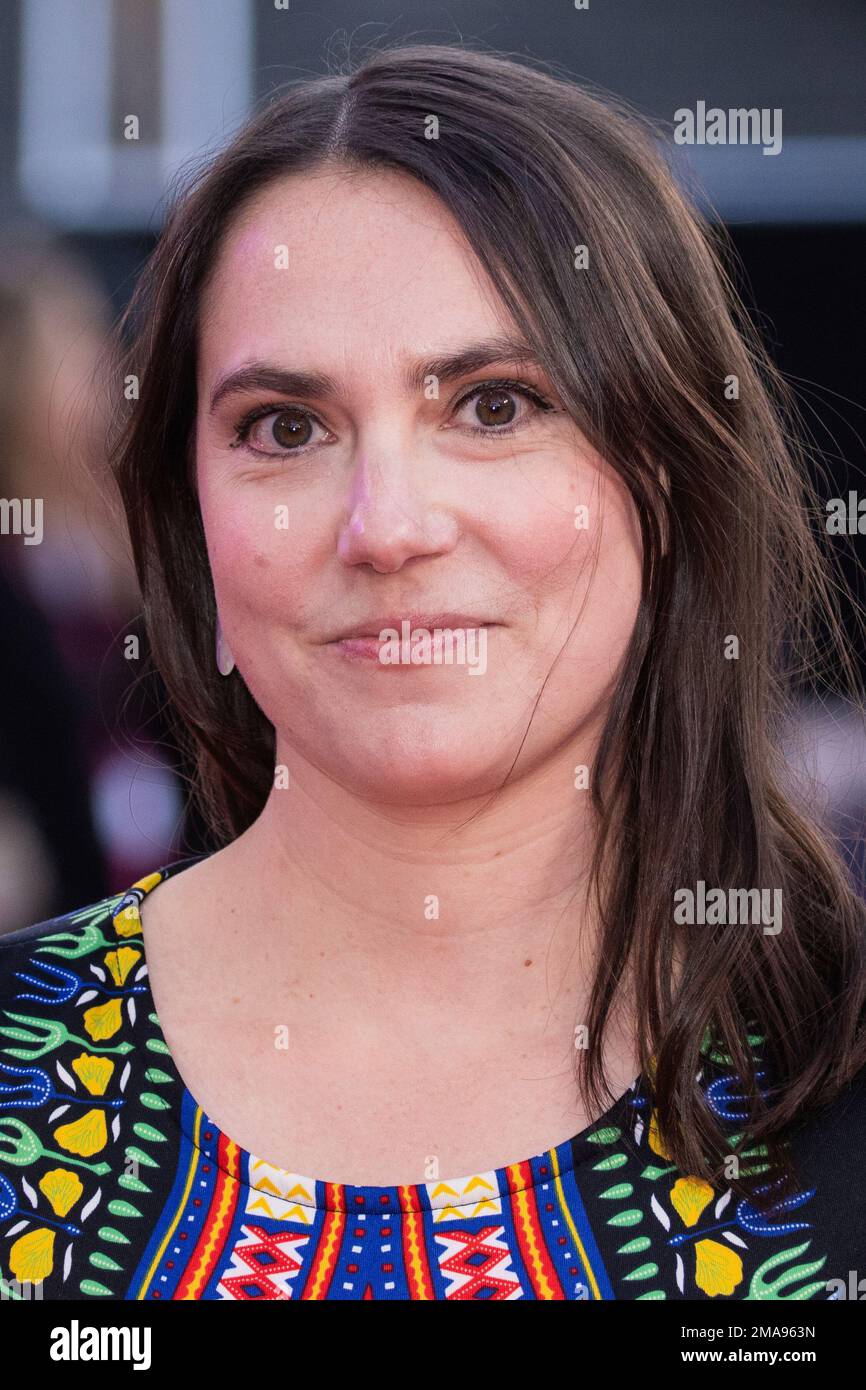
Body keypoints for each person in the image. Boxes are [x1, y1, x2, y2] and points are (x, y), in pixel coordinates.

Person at [1, 43, 865, 1303]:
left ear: (665, 478)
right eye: (284, 429)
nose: (387, 523)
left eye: (495, 404)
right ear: (190, 531)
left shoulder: (837, 1060)